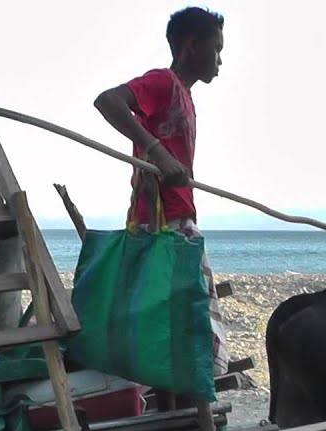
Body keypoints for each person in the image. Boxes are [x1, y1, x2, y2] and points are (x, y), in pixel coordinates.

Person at [93, 7, 230, 376]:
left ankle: (180, 401)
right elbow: (107, 101)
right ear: (192, 46)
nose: (220, 60)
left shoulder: (184, 94)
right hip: (162, 223)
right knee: (190, 332)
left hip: (177, 217)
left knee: (178, 333)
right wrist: (156, 152)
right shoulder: (164, 83)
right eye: (216, 49)